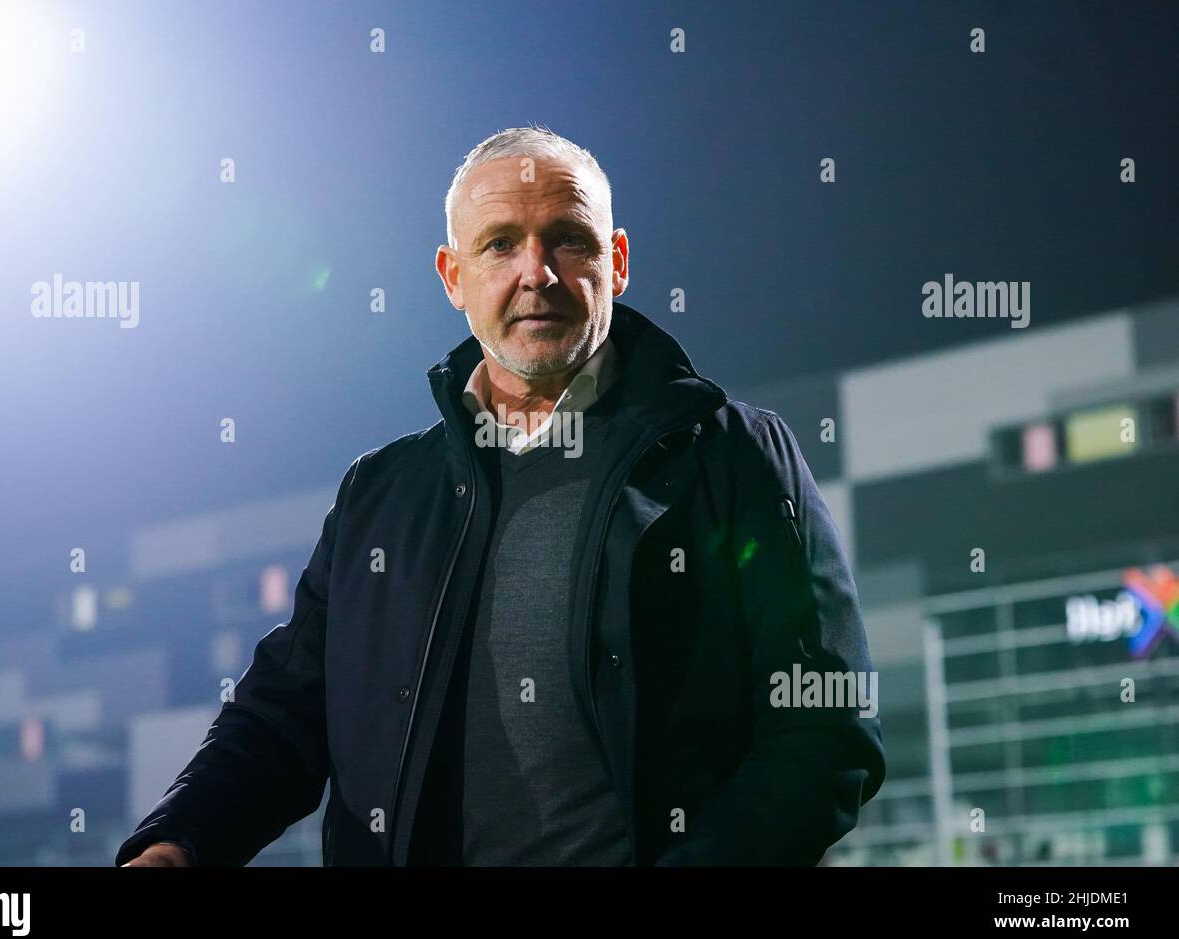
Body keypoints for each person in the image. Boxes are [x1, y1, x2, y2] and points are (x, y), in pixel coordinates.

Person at [117, 125, 886, 867]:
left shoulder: (732, 455)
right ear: (454, 278)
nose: (537, 272)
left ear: (616, 263)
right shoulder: (378, 498)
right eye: (500, 244)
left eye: (569, 239)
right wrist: (177, 842)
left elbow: (823, 731)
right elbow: (281, 718)